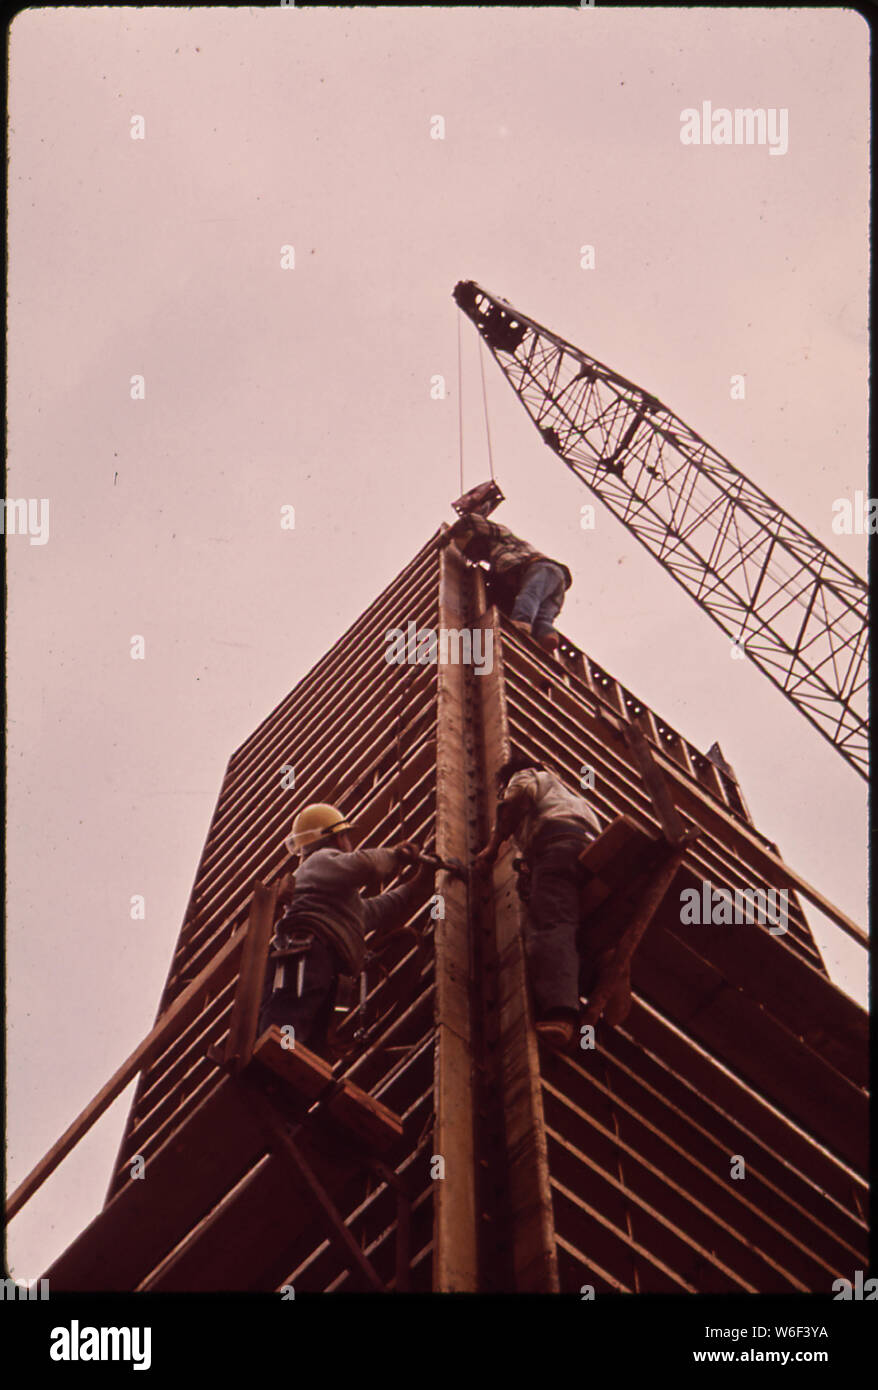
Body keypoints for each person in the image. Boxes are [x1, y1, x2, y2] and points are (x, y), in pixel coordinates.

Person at [257, 802, 425, 1054]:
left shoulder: (335, 900)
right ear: (335, 837)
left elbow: (373, 912)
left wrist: (418, 883)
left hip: (322, 959)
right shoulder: (319, 861)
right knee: (293, 1010)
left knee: (311, 1028)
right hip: (305, 950)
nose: (349, 842)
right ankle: (278, 1056)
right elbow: (366, 865)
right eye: (345, 835)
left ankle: (289, 1071)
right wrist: (396, 855)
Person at [474, 749, 606, 1051]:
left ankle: (561, 1014)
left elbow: (516, 801)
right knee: (576, 932)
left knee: (551, 924)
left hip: (556, 847)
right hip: (589, 855)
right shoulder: (573, 799)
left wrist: (492, 849)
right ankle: (600, 977)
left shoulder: (528, 776)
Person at [438, 515, 571, 656]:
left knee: (528, 596)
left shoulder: (502, 536)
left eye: (473, 550)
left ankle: (521, 624)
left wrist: (448, 535)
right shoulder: (496, 565)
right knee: (543, 619)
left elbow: (470, 519)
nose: (476, 556)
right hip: (558, 582)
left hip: (541, 568)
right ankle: (547, 635)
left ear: (478, 540)